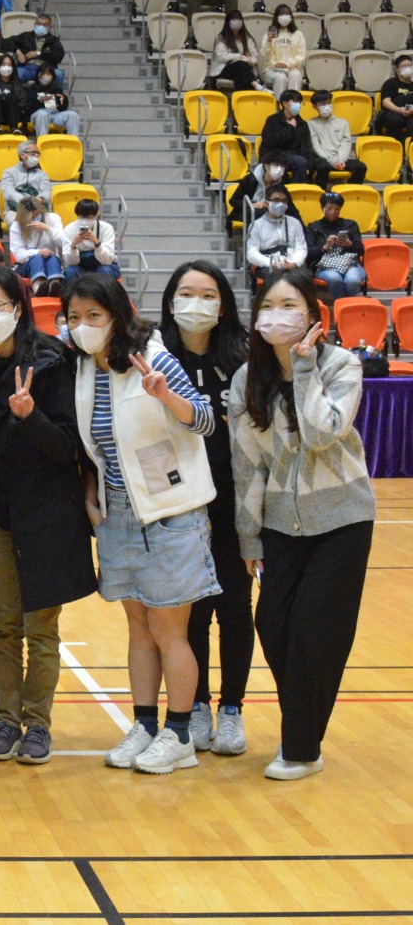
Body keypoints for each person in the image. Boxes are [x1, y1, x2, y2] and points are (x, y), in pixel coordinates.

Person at [66, 272, 218, 775]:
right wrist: (91, 496)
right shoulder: (86, 366)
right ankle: (146, 724)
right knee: (137, 629)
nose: (83, 325)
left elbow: (203, 419)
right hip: (117, 513)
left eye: (93, 315)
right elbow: (96, 447)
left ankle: (180, 734)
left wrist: (165, 395)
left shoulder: (151, 355)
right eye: (74, 317)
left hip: (169, 512)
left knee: (169, 630)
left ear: (116, 315)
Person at [229, 270, 376, 781]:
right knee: (272, 622)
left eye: (290, 305)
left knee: (317, 628)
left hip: (342, 517)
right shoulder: (246, 380)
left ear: (312, 317)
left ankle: (300, 748)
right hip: (281, 524)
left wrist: (306, 366)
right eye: (268, 305)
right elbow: (247, 465)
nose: (278, 315)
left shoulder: (341, 365)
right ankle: (305, 729)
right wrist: (249, 535)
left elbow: (321, 434)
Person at [0, 268, 95, 764]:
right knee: (1, 625)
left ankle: (37, 725)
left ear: (18, 308)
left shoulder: (51, 361)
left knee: (41, 628)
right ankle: (5, 721)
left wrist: (28, 416)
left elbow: (66, 447)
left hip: (46, 515)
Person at [159, 261, 253, 757]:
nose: (197, 303)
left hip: (233, 505)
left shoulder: (242, 359)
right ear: (172, 301)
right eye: (187, 293)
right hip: (179, 504)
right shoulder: (155, 357)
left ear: (223, 304)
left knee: (235, 608)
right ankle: (193, 703)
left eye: (208, 294)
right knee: (188, 612)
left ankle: (232, 709)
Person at [304, 192, 367, 300]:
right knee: (334, 279)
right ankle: (344, 307)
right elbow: (308, 253)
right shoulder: (313, 227)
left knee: (353, 280)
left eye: (337, 209)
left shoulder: (350, 225)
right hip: (325, 265)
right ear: (322, 208)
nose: (333, 212)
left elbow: (361, 250)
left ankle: (346, 308)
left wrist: (349, 244)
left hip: (351, 263)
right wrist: (324, 247)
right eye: (329, 208)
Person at [260, 90, 329, 184]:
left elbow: (306, 146)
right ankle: (290, 191)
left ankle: (310, 190)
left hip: (295, 156)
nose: (299, 105)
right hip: (274, 154)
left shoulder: (302, 124)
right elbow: (271, 142)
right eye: (295, 102)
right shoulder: (272, 120)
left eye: (300, 102)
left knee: (320, 163)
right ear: (285, 103)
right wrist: (290, 128)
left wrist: (309, 163)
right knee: (297, 161)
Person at [245, 184, 307, 287]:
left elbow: (301, 248)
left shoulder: (294, 222)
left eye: (284, 200)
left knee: (306, 276)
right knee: (277, 277)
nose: (281, 204)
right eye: (276, 200)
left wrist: (294, 263)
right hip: (267, 265)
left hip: (291, 263)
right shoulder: (256, 224)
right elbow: (251, 253)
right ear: (266, 202)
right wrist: (272, 263)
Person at [306, 90, 367, 184]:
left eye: (329, 102)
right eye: (322, 104)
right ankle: (320, 193)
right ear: (315, 107)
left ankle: (350, 193)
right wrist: (332, 161)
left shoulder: (343, 123)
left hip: (341, 159)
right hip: (324, 159)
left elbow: (346, 143)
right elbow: (316, 146)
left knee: (361, 167)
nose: (327, 106)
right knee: (323, 166)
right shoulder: (310, 124)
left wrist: (340, 160)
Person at [62, 198, 122, 282]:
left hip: (104, 265)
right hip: (81, 267)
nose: (85, 221)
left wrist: (97, 243)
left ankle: (102, 295)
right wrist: (73, 245)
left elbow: (107, 260)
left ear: (97, 214)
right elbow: (69, 263)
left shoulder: (106, 228)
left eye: (90, 217)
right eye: (82, 217)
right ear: (77, 215)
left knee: (104, 270)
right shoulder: (69, 229)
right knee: (70, 272)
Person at [9, 194, 64, 282]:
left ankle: (55, 285)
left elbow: (62, 242)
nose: (36, 218)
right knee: (37, 258)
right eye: (33, 217)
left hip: (50, 261)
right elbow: (19, 255)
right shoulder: (16, 226)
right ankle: (39, 287)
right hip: (26, 264)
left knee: (53, 257)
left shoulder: (53, 218)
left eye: (38, 214)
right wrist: (37, 252)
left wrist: (47, 229)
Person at [5, 14, 65, 86]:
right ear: (35, 24)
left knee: (58, 74)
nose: (41, 26)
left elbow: (58, 55)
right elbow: (6, 42)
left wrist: (39, 53)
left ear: (49, 27)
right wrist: (18, 51)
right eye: (39, 24)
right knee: (14, 73)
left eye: (44, 25)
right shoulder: (26, 36)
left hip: (46, 69)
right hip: (27, 67)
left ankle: (58, 96)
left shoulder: (53, 40)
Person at [261, 5, 306, 95]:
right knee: (280, 77)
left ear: (290, 17)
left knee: (295, 75)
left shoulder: (298, 34)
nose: (284, 16)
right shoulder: (269, 34)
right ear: (277, 17)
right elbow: (264, 55)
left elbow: (301, 56)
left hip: (292, 68)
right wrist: (269, 41)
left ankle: (293, 102)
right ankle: (280, 104)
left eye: (286, 14)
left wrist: (287, 64)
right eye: (281, 14)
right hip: (272, 69)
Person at [212, 11, 262, 91]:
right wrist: (239, 56)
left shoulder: (248, 38)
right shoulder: (221, 38)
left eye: (238, 19)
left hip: (244, 68)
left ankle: (240, 99)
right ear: (228, 22)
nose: (236, 22)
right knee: (240, 64)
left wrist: (250, 60)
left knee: (241, 75)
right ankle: (255, 84)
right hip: (224, 70)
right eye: (233, 19)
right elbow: (222, 57)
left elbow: (255, 56)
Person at [29, 65, 79, 136]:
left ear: (53, 76)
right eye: (43, 73)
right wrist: (40, 101)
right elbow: (27, 106)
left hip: (55, 114)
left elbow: (63, 107)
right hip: (38, 114)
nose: (45, 76)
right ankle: (42, 142)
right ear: (38, 74)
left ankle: (74, 142)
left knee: (73, 115)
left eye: (49, 74)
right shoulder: (31, 89)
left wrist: (62, 101)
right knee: (43, 114)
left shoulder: (57, 90)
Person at [374, 52, 413, 139]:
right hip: (393, 113)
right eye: (404, 66)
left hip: (410, 114)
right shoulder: (390, 83)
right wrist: (399, 110)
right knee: (395, 120)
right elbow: (386, 102)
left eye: (410, 66)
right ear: (397, 69)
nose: (407, 68)